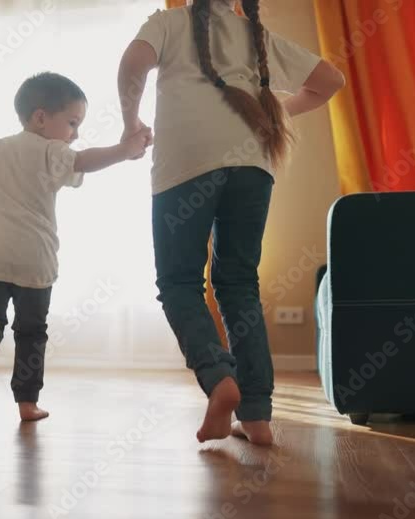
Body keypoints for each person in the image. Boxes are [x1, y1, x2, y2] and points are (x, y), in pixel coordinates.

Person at [118, 0, 345, 444]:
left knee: (180, 282)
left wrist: (130, 125)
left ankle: (219, 377)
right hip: (251, 166)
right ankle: (256, 416)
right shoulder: (254, 35)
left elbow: (133, 64)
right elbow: (330, 81)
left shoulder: (168, 21)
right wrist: (272, 114)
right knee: (238, 281)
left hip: (185, 164)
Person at [0, 72, 152, 422]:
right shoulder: (53, 151)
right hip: (35, 262)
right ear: (41, 118)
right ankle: (27, 403)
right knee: (31, 333)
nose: (76, 134)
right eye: (72, 123)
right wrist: (124, 150)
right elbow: (85, 161)